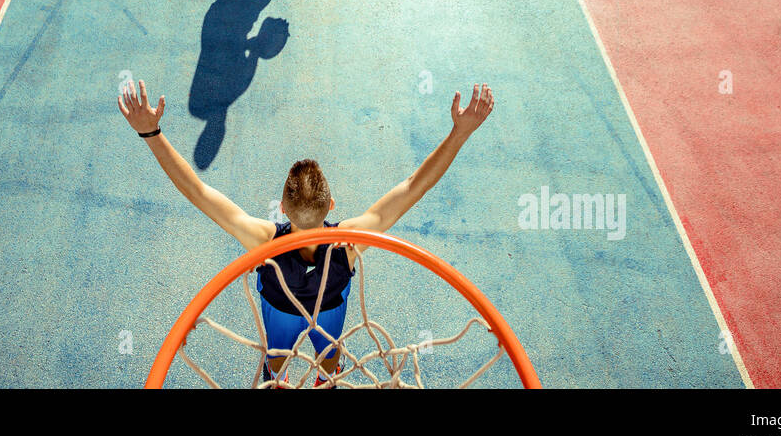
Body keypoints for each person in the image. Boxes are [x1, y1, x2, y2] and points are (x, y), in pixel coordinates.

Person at [118, 78, 497, 386]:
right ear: (331, 206)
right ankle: (325, 379)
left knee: (278, 356)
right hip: (330, 310)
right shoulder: (350, 242)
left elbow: (198, 192)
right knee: (330, 356)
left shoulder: (263, 241)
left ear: (282, 208)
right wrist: (460, 133)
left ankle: (276, 379)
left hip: (279, 311)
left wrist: (151, 133)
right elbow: (415, 186)